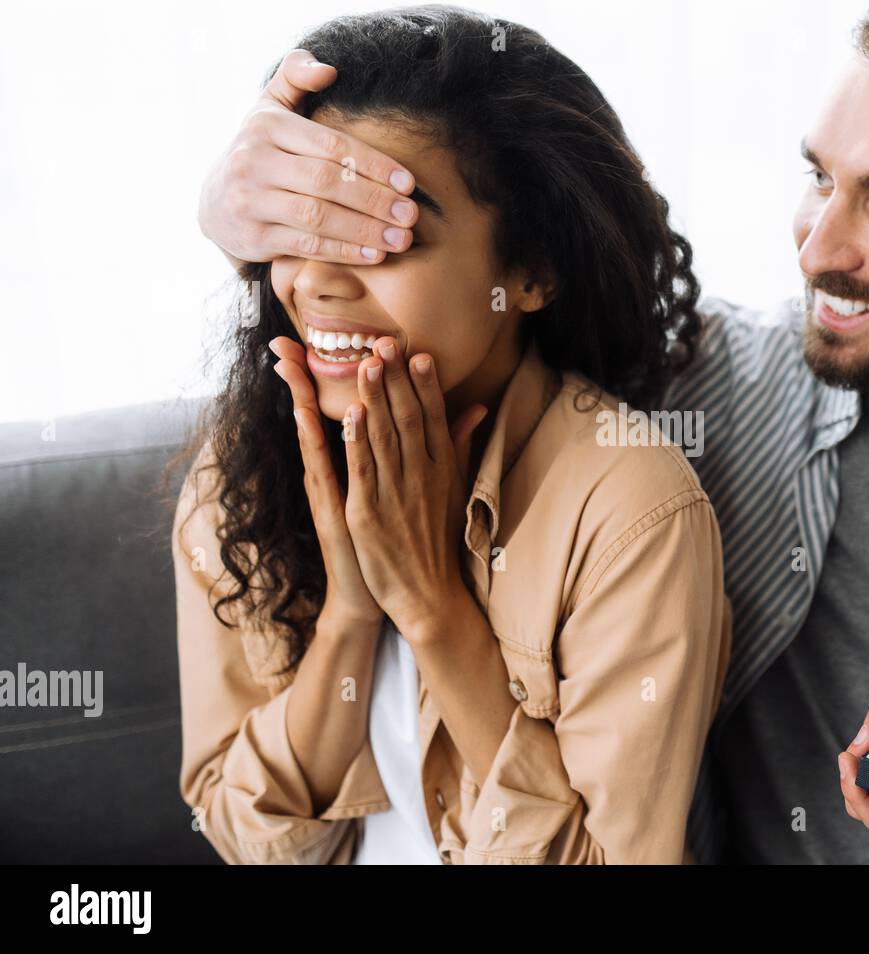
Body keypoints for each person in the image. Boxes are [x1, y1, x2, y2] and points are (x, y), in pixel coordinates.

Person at [197, 0, 869, 865]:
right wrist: (244, 215)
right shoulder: (706, 378)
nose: (819, 247)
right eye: (819, 178)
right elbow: (534, 224)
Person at [172, 5, 729, 865]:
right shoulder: (240, 466)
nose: (314, 280)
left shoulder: (627, 510)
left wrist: (430, 606)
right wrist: (353, 610)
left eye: (381, 236)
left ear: (533, 271)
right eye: (301, 225)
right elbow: (245, 834)